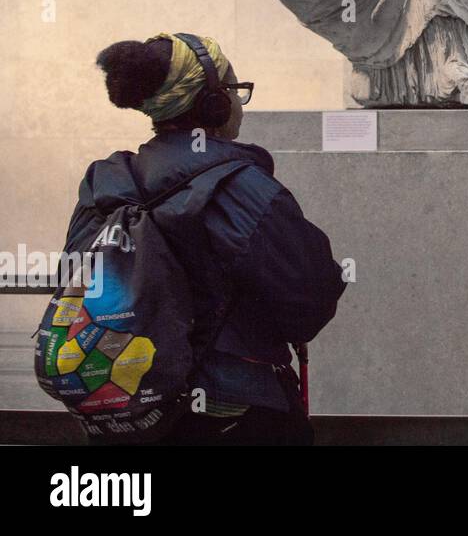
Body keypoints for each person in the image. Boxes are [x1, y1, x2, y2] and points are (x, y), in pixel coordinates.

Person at [74, 32, 346, 444]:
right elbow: (309, 300)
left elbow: (75, 278)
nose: (239, 102)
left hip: (127, 412)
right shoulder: (242, 188)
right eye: (235, 90)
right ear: (213, 103)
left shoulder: (106, 182)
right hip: (232, 411)